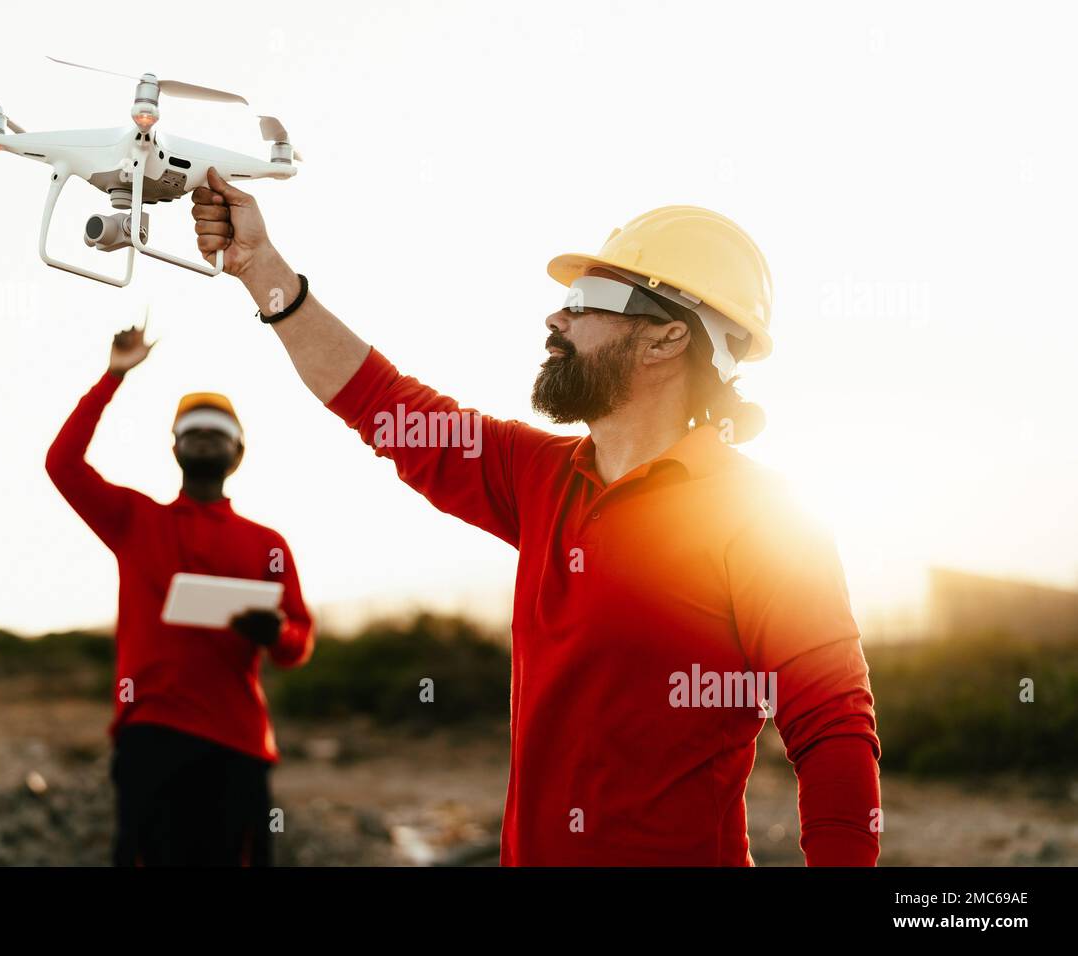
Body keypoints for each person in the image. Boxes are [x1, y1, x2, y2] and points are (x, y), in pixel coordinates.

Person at [187, 170, 882, 867]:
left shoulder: (761, 519)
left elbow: (834, 731)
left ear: (667, 339)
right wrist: (261, 270)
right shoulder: (538, 474)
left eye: (588, 300)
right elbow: (379, 402)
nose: (557, 318)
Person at [45, 319, 314, 866]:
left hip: (238, 744)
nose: (204, 436)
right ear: (175, 448)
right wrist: (113, 376)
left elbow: (298, 642)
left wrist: (276, 633)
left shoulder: (268, 543)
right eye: (192, 430)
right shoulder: (133, 521)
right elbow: (62, 465)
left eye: (217, 431)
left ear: (238, 453)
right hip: (151, 736)